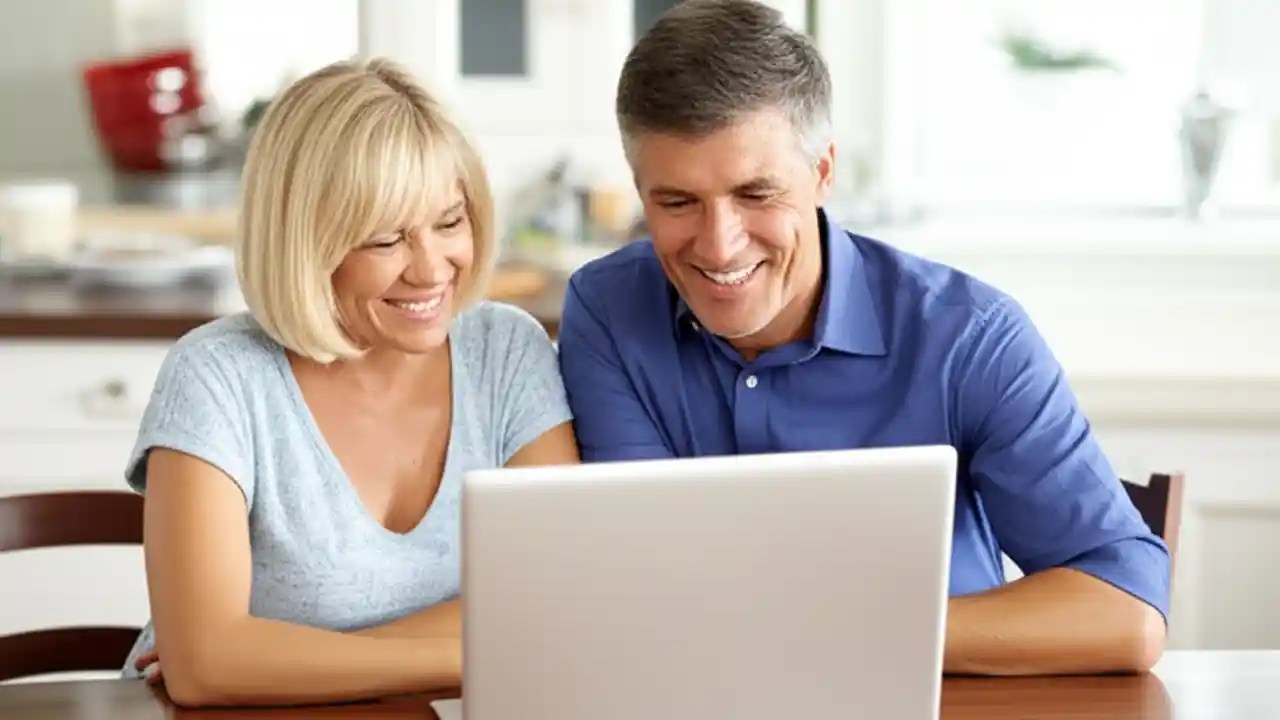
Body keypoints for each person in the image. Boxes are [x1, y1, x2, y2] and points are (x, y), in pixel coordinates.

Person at [558, 0, 1168, 676]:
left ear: (822, 173)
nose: (719, 244)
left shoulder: (971, 338)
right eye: (677, 203)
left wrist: (858, 633)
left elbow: (1126, 612)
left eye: (756, 194)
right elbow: (641, 574)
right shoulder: (607, 309)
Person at [119, 58, 578, 706]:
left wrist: (274, 657)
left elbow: (556, 600)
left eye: (449, 223)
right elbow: (203, 670)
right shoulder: (217, 377)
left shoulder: (506, 350)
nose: (430, 269)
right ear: (307, 242)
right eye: (385, 239)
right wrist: (480, 648)